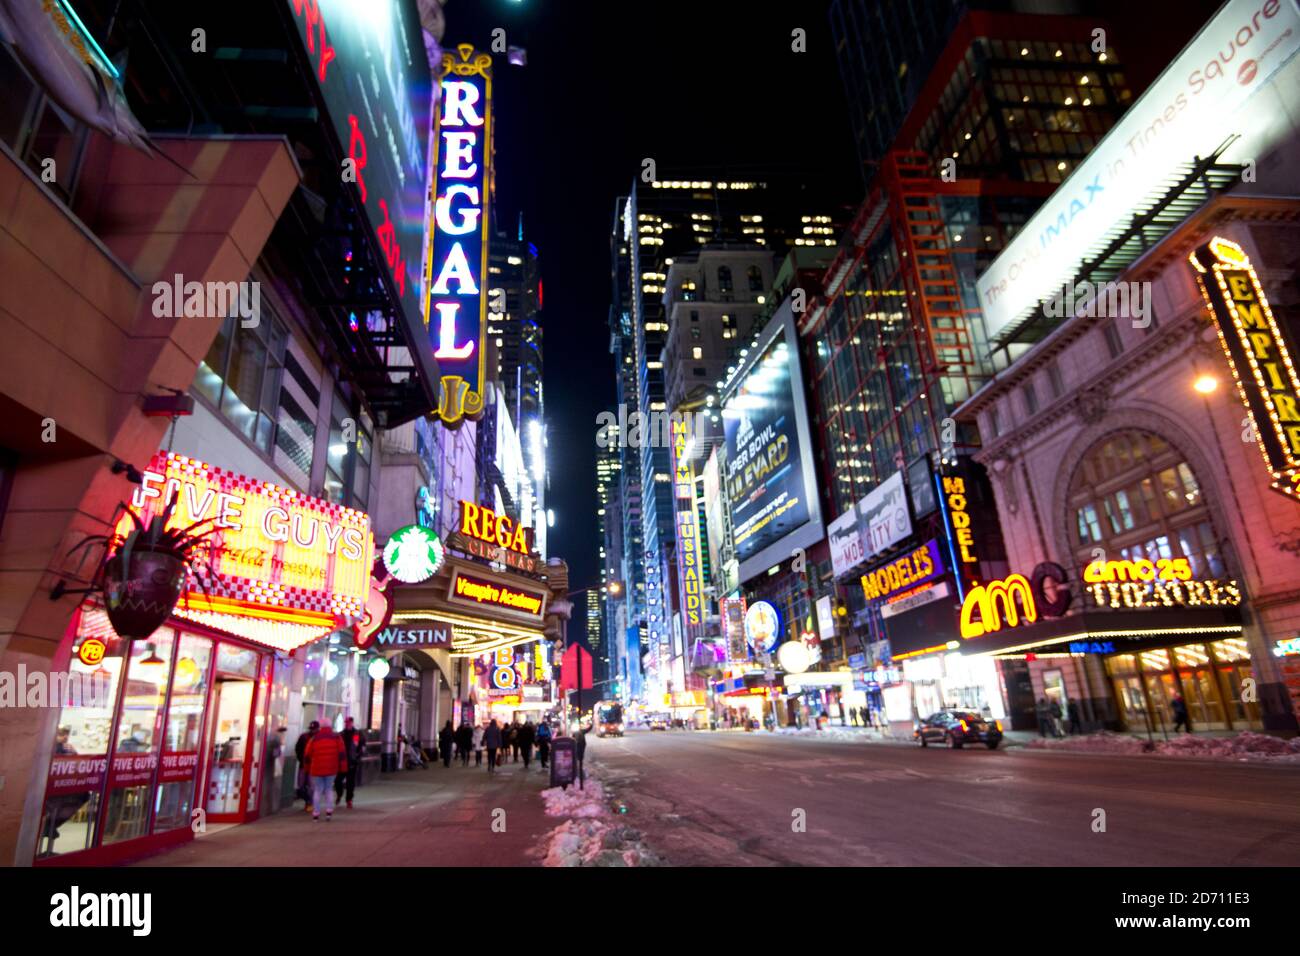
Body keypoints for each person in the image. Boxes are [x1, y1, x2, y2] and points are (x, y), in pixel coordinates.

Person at [303, 719, 346, 822]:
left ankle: (316, 813)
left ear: (321, 726)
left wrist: (306, 768)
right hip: (331, 768)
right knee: (328, 789)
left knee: (317, 790)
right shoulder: (336, 737)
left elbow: (307, 755)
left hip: (317, 769)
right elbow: (342, 754)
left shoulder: (314, 738)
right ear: (330, 726)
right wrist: (343, 768)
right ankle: (329, 812)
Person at [335, 716, 364, 809]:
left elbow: (362, 746)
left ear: (352, 722)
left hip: (352, 762)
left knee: (350, 782)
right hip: (342, 762)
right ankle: (339, 794)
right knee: (338, 781)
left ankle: (349, 800)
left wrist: (357, 757)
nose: (347, 724)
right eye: (346, 722)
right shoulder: (341, 734)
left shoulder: (357, 734)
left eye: (348, 722)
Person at [295, 720, 319, 813]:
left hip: (313, 767)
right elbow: (298, 748)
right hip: (303, 765)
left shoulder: (319, 739)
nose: (313, 731)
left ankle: (310, 803)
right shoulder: (304, 737)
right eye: (311, 729)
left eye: (314, 729)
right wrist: (301, 759)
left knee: (311, 786)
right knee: (301, 786)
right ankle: (308, 801)